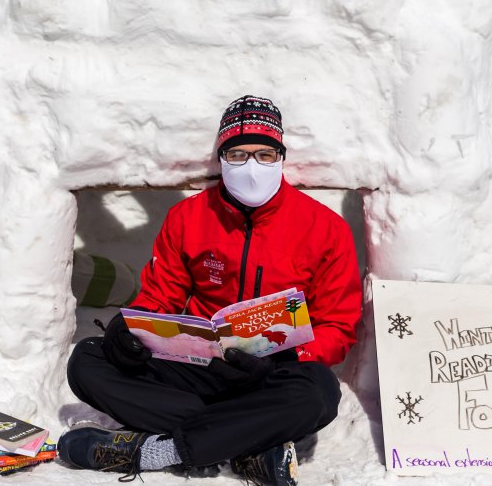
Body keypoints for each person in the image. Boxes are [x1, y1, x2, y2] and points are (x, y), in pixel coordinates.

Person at [58, 95, 363, 486]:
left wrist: (285, 354)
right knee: (87, 360)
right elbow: (160, 295)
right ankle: (248, 443)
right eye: (236, 154)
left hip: (273, 372)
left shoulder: (325, 228)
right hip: (200, 366)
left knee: (318, 393)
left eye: (264, 155)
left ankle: (155, 450)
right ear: (221, 159)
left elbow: (338, 327)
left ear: (280, 158)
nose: (251, 166)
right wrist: (129, 329)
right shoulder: (189, 217)